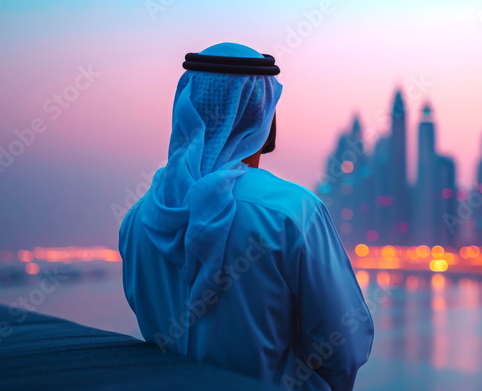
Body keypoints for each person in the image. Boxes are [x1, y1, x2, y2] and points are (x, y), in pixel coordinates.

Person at [118, 42, 373, 391]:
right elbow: (344, 344)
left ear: (186, 110)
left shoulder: (138, 219)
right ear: (264, 120)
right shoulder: (292, 211)